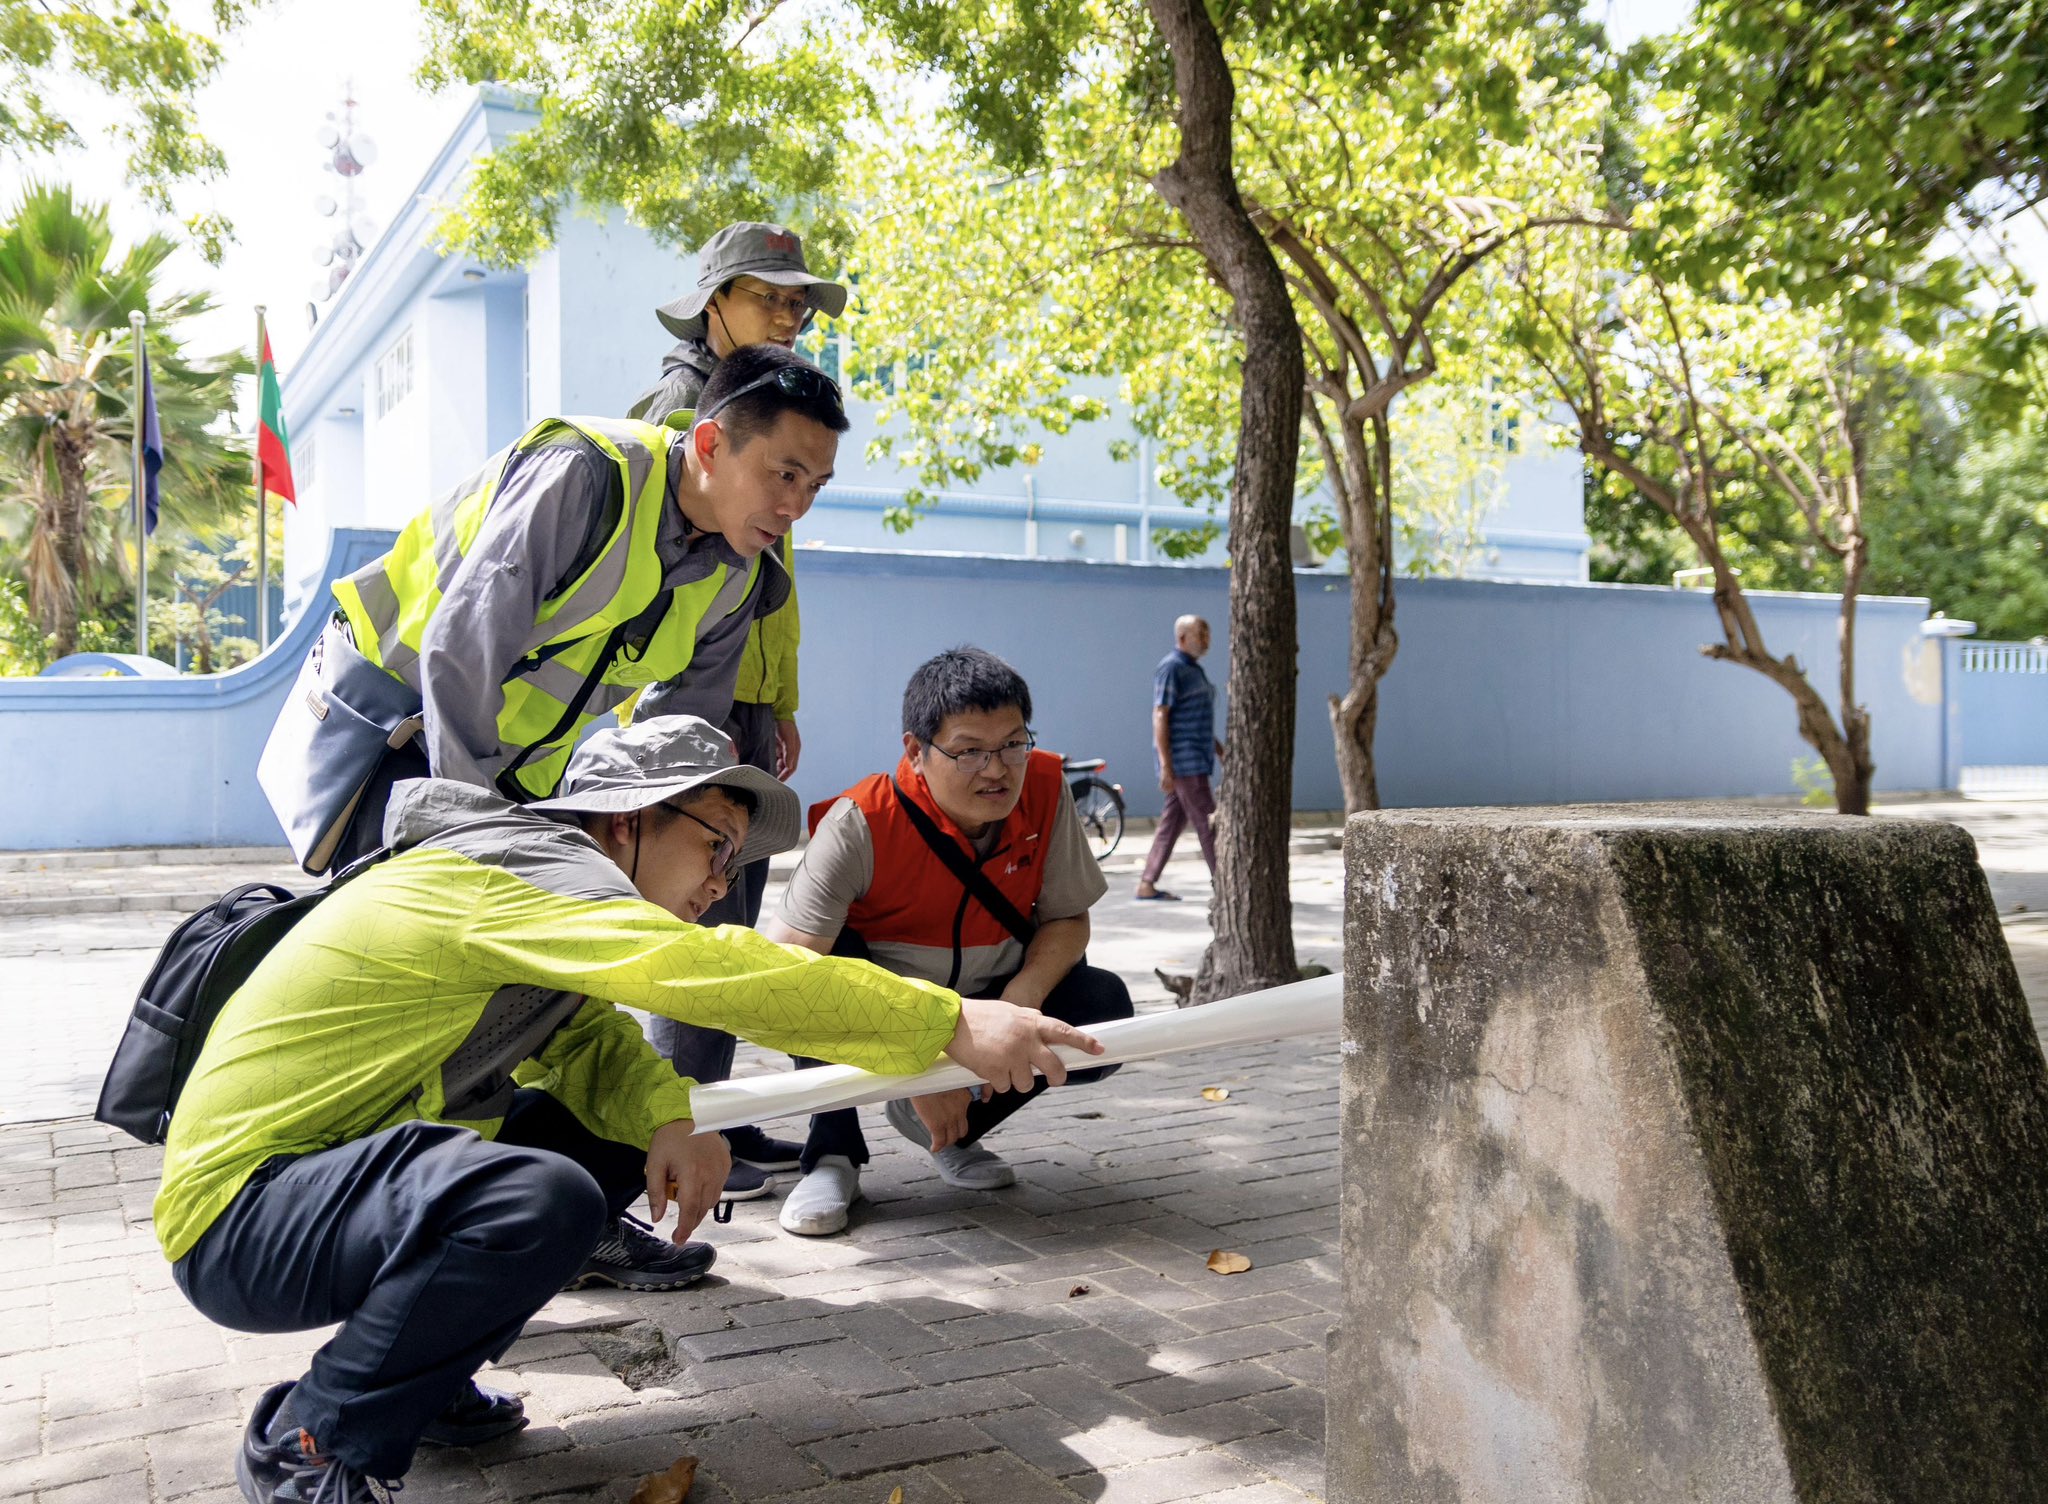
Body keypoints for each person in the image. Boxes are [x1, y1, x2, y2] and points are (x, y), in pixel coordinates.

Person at [162, 716, 1101, 1504]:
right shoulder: (508, 872)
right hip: (246, 1211)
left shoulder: (539, 892)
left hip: (329, 1184)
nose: (724, 881)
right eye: (715, 845)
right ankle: (312, 1439)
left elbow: (584, 1043)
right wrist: (947, 1022)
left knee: (602, 1146)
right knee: (539, 1200)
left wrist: (668, 1120)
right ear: (625, 822)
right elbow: (708, 974)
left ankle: (418, 1383)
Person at [267, 343, 845, 875]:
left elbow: (677, 747)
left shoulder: (740, 581)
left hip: (517, 783)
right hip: (401, 727)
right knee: (381, 950)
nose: (796, 506)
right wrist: (471, 826)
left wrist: (660, 859)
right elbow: (463, 651)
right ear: (710, 445)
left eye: (815, 485)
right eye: (784, 474)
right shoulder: (587, 474)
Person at [625, 221, 849, 1200]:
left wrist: (774, 699)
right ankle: (658, 1134)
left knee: (728, 922)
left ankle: (708, 1114)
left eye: (800, 303)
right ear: (713, 300)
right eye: (771, 297)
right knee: (688, 924)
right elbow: (659, 583)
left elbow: (762, 579)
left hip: (742, 705)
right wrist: (692, 728)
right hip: (692, 712)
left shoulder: (769, 408)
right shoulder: (684, 404)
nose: (791, 317)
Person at [766, 647, 1135, 1236]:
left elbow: (1068, 919)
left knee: (1100, 1007)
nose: (997, 770)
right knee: (819, 977)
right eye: (969, 751)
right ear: (916, 750)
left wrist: (1019, 1004)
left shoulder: (1044, 785)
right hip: (886, 1000)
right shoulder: (860, 820)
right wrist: (922, 1053)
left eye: (1014, 743)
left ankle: (953, 1131)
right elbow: (787, 971)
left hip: (992, 988)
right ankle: (832, 1153)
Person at [1136, 614, 1226, 902]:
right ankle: (1225, 884)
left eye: (1208, 634)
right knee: (1207, 822)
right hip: (1184, 762)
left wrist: (1220, 751)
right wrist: (1166, 765)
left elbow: (1196, 720)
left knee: (1172, 823)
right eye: (1201, 634)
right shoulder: (1172, 668)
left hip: (1197, 758)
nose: (1206, 641)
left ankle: (1147, 883)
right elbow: (1160, 715)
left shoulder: (1194, 670)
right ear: (1183, 638)